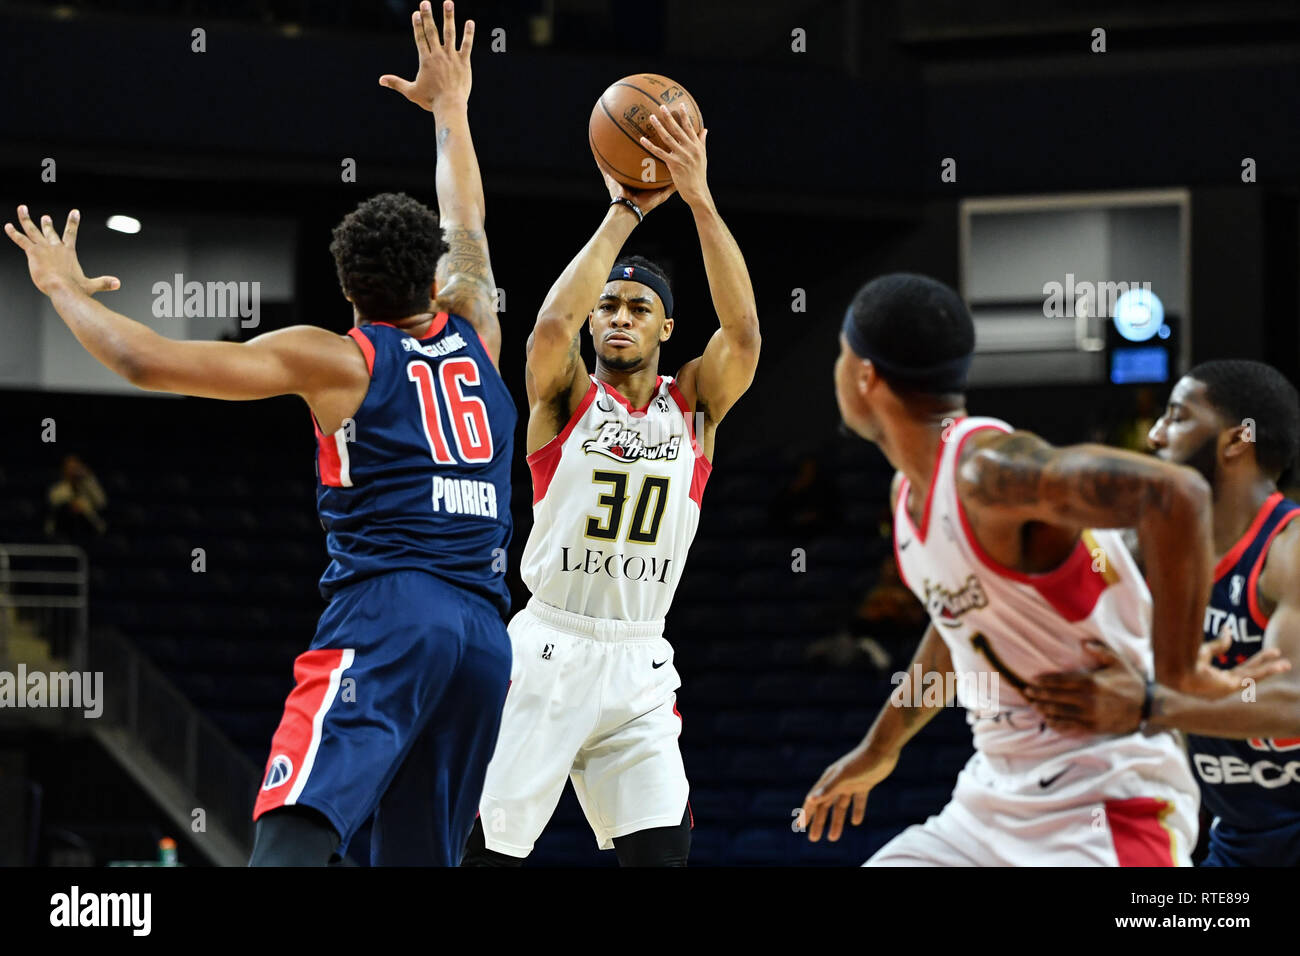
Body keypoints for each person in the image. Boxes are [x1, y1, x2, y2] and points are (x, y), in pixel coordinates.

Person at [6, 0, 512, 866]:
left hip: (393, 608)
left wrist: (62, 290)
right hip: (483, 637)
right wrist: (453, 112)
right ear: (432, 278)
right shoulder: (476, 326)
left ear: (349, 291)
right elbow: (467, 222)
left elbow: (146, 362)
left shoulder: (336, 359)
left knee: (296, 813)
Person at [799, 273, 1213, 866]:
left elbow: (1179, 495)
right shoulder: (908, 493)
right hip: (989, 804)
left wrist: (1171, 685)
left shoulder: (987, 471)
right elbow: (956, 619)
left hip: (1106, 799)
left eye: (841, 354)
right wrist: (880, 747)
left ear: (864, 375)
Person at [461, 104, 760, 866]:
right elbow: (549, 330)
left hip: (639, 659)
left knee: (662, 855)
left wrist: (698, 198)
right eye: (610, 308)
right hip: (548, 647)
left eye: (639, 308)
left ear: (667, 329)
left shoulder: (691, 406)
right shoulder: (564, 399)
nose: (619, 318)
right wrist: (625, 210)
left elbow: (747, 335)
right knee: (488, 853)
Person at [1027, 359, 1300, 866]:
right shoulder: (1140, 550)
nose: (1154, 436)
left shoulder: (1290, 550)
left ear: (1237, 440)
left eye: (1176, 417)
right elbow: (1006, 586)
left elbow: (1294, 704)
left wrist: (1147, 705)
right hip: (1241, 841)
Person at [45, 454, 108, 542]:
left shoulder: (89, 487)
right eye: (70, 467)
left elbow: (102, 503)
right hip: (62, 531)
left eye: (76, 467)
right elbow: (55, 504)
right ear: (64, 469)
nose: (73, 471)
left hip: (90, 531)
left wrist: (89, 479)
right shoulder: (57, 489)